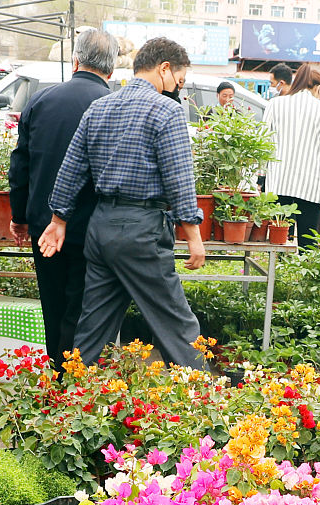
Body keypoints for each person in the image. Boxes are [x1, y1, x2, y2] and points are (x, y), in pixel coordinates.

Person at [38, 37, 208, 369]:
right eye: (179, 80)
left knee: (93, 325)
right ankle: (204, 397)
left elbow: (72, 168)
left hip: (100, 227)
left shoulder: (99, 107)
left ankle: (73, 398)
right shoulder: (167, 110)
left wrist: (59, 220)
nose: (177, 88)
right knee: (175, 322)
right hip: (141, 230)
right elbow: (180, 178)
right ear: (164, 69)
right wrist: (194, 234)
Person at [9, 30, 117, 374]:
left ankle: (56, 377)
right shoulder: (114, 105)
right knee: (85, 308)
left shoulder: (41, 100)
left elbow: (21, 163)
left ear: (75, 62)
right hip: (94, 227)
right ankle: (77, 387)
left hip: (44, 225)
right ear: (112, 70)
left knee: (53, 305)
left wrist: (19, 216)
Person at [262, 64, 320, 249]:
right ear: (317, 87)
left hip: (278, 179)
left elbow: (263, 140)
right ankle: (305, 275)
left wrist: (261, 176)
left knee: (278, 237)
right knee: (308, 240)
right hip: (310, 183)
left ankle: (275, 273)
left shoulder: (275, 104)